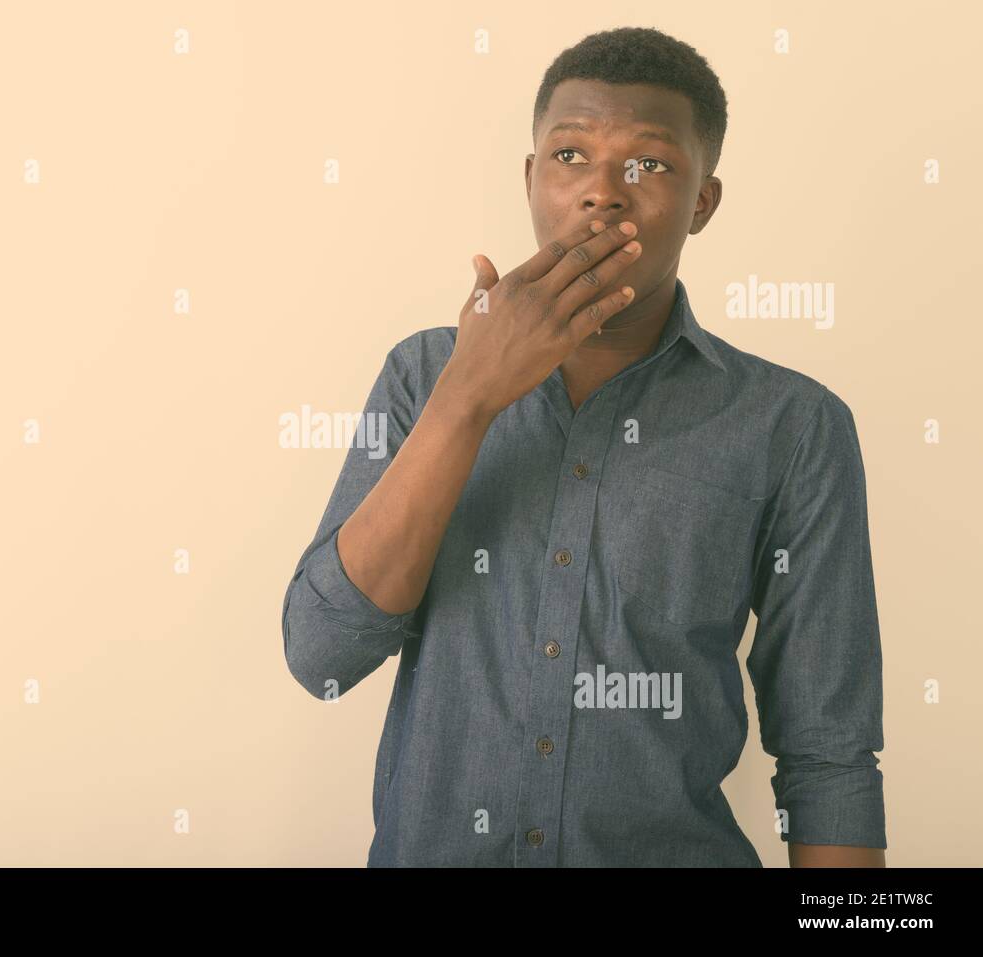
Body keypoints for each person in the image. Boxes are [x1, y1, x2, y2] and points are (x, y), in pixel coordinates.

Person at [281, 26, 886, 867]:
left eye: (648, 164)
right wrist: (469, 396)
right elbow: (322, 657)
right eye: (570, 155)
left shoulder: (793, 426)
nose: (604, 193)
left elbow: (830, 752)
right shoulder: (424, 375)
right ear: (531, 180)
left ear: (703, 201)